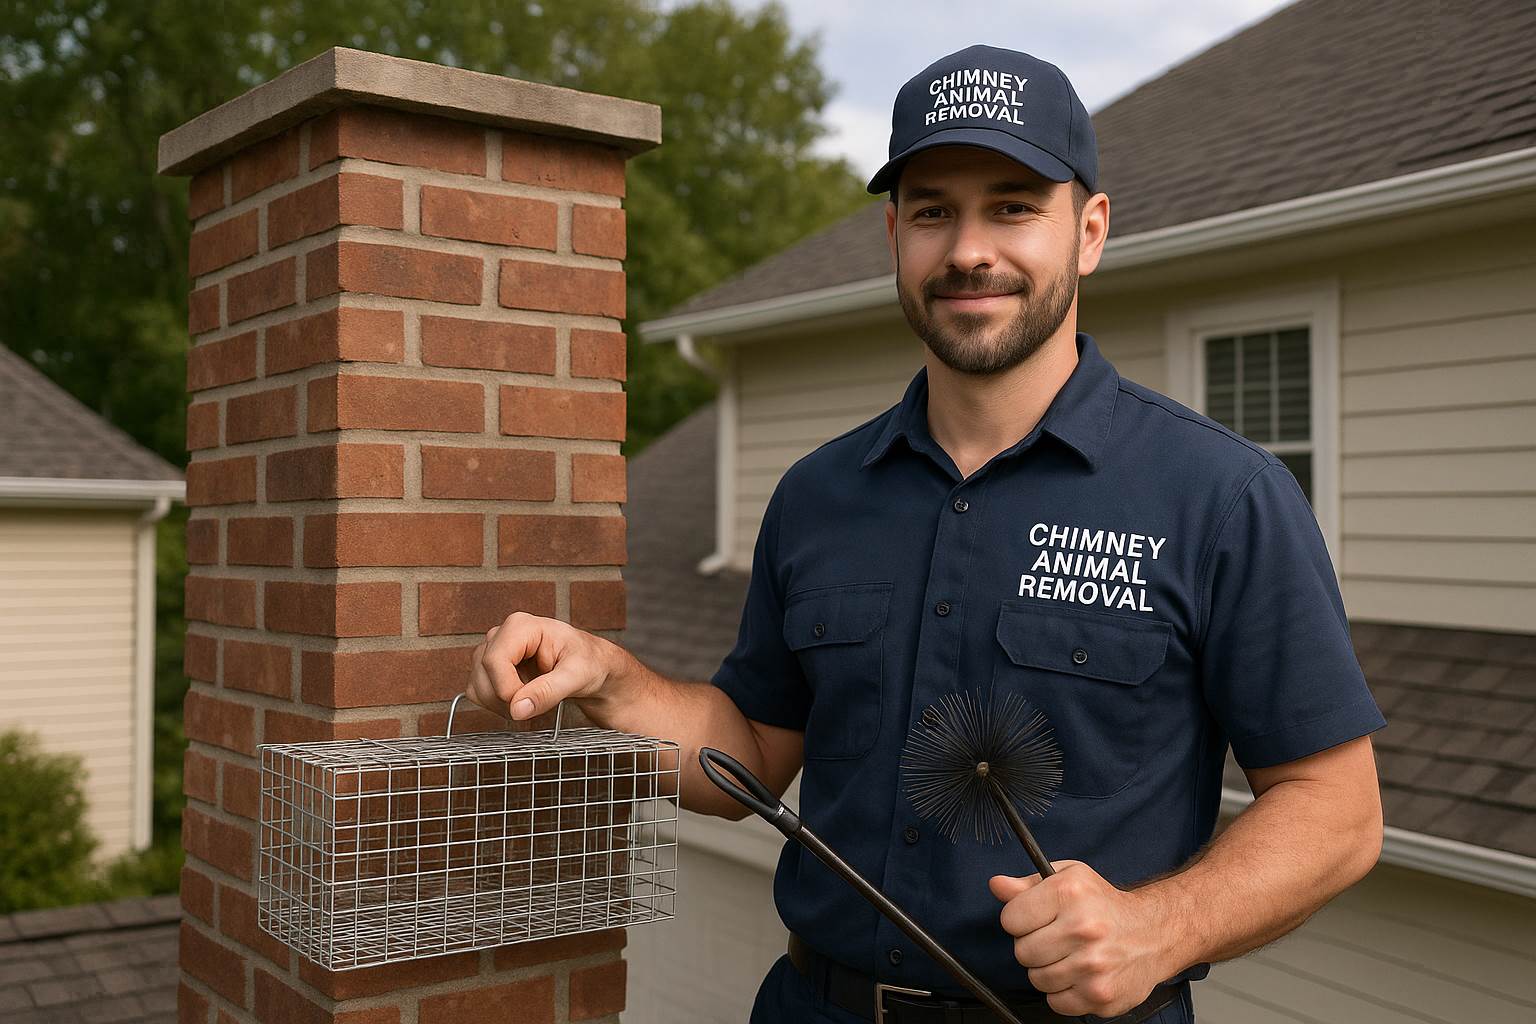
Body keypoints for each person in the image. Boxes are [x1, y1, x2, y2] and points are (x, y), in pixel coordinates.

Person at [466, 43, 1387, 1024]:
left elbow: (1338, 810)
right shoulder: (818, 497)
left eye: (1013, 205)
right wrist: (608, 677)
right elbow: (747, 758)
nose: (968, 250)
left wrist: (1158, 926)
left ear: (1090, 231)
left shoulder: (1221, 496)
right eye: (934, 209)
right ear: (894, 233)